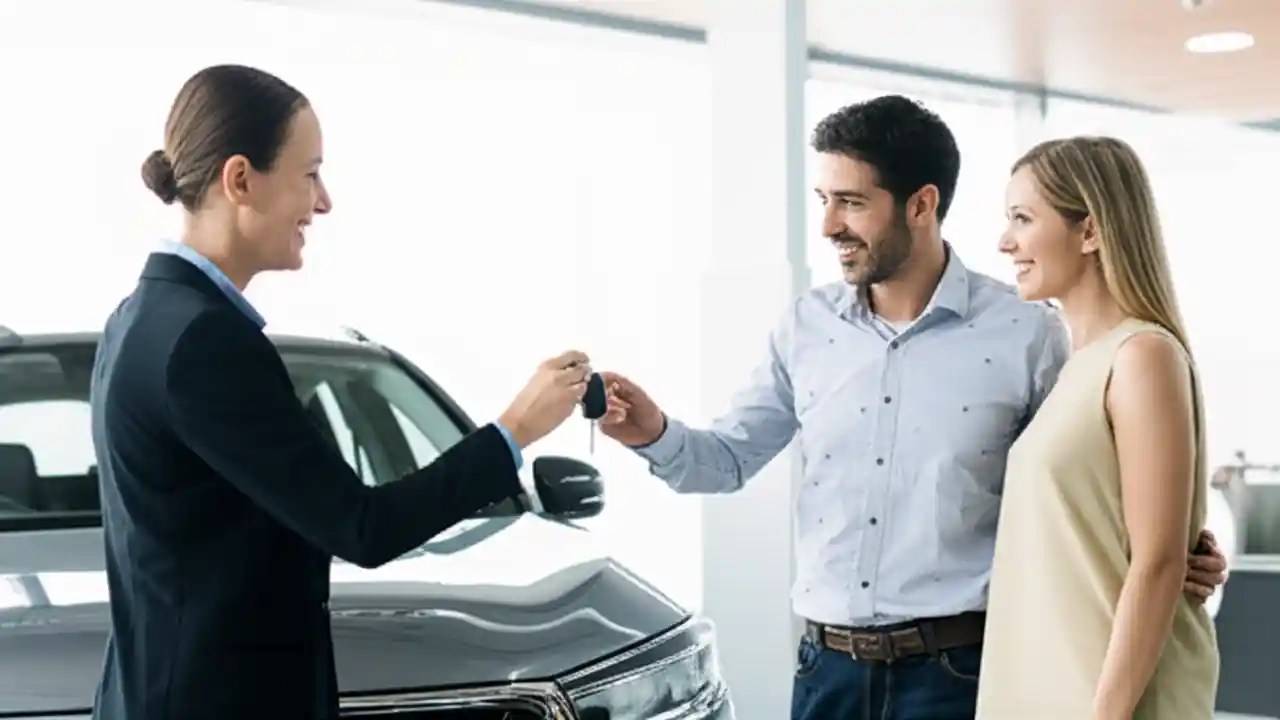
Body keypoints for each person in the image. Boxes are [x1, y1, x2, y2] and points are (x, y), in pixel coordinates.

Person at [597, 95, 1228, 720]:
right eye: (826, 201)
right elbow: (727, 462)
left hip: (962, 672)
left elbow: (1087, 482)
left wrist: (1181, 551)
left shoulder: (1030, 332)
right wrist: (652, 433)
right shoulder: (806, 327)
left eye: (852, 202)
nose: (829, 225)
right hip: (827, 673)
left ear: (921, 205)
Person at [88, 64, 591, 720]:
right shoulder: (203, 344)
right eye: (310, 173)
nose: (323, 202)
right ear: (241, 179)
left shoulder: (141, 318)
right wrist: (515, 429)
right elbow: (362, 525)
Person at [975, 137, 1219, 720]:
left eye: (1022, 218)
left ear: (1089, 232)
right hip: (1045, 687)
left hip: (1106, 699)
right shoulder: (1078, 367)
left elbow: (1159, 563)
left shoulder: (1141, 355)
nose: (1005, 241)